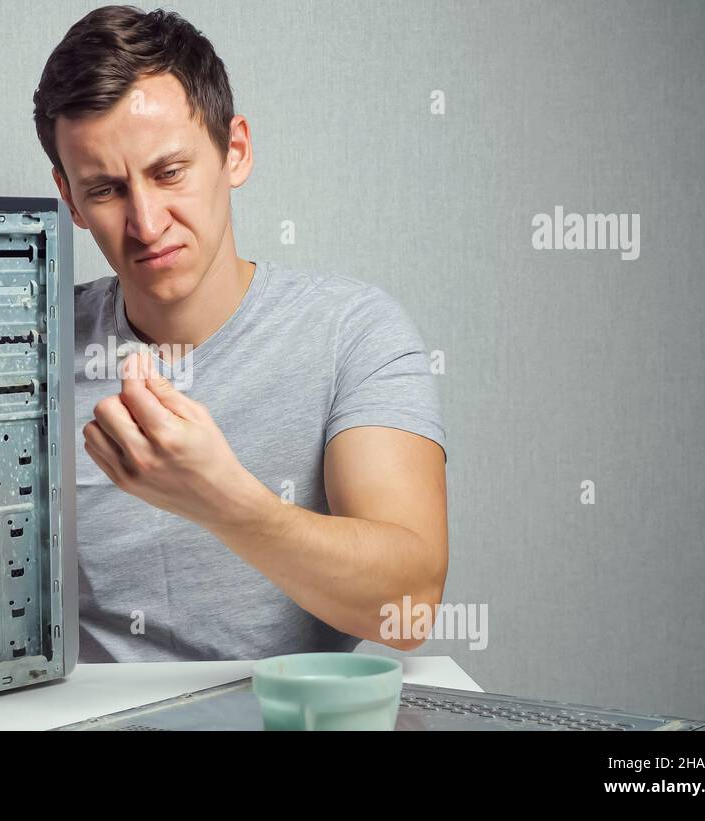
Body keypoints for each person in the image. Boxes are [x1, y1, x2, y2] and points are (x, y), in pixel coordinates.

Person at [33, 5, 448, 661]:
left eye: (170, 172)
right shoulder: (32, 345)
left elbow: (410, 607)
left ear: (236, 150)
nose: (146, 222)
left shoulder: (352, 331)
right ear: (70, 199)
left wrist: (224, 501)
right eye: (107, 189)